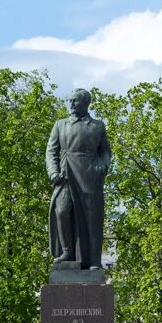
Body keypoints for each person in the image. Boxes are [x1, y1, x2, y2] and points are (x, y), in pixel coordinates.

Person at [46, 88, 110, 269]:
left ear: (85, 103)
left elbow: (105, 150)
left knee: (92, 217)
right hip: (66, 174)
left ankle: (94, 262)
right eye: (70, 100)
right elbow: (51, 152)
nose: (71, 104)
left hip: (90, 175)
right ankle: (66, 251)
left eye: (75, 101)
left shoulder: (97, 126)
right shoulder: (60, 124)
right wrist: (53, 172)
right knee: (62, 211)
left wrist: (103, 167)